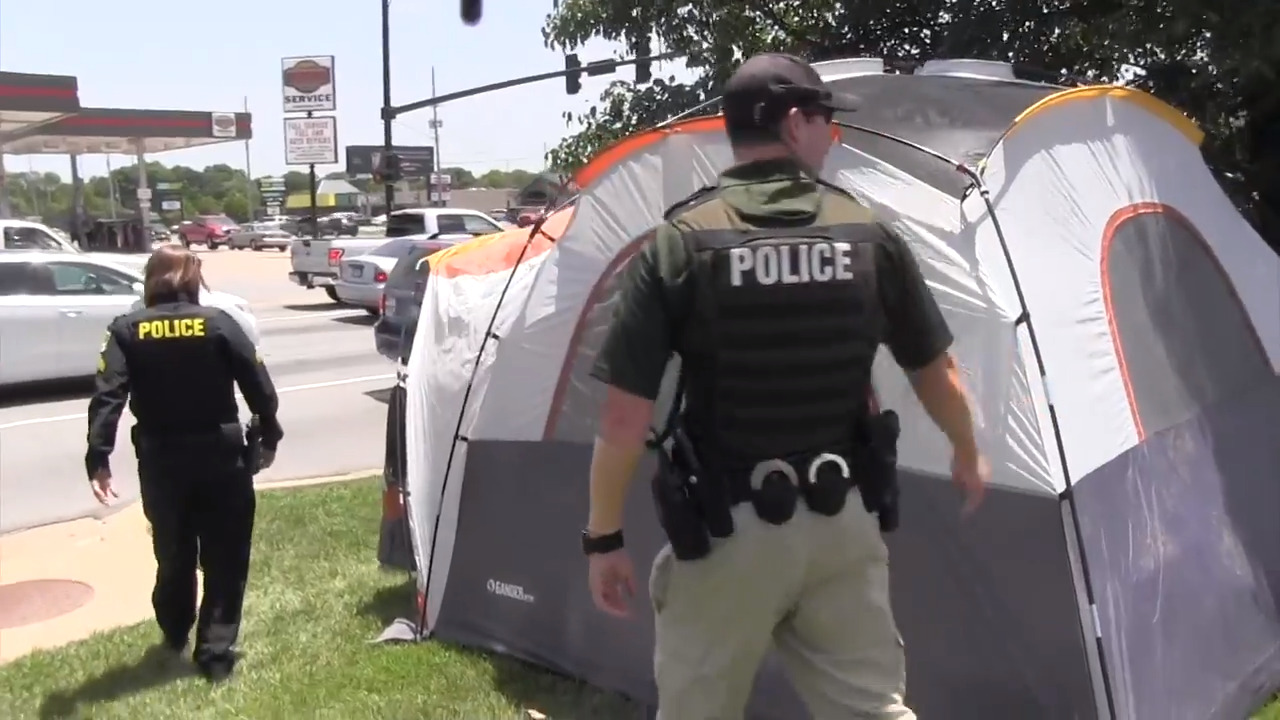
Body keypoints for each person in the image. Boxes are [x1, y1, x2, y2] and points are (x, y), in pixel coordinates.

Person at [581, 52, 990, 719]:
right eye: (828, 121)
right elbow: (935, 370)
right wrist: (967, 450)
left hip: (726, 535)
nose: (835, 137)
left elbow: (623, 421)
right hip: (843, 527)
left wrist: (603, 540)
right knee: (872, 710)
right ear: (794, 123)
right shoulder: (869, 235)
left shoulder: (681, 243)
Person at [85, 244, 284, 682]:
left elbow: (107, 397)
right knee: (226, 555)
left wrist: (98, 457)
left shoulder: (126, 328)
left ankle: (175, 630)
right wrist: (270, 434)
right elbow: (260, 388)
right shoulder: (219, 323)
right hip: (221, 455)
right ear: (193, 280)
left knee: (172, 550)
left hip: (161, 459)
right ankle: (214, 653)